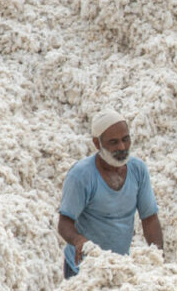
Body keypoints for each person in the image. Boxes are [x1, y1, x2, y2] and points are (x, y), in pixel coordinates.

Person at [57, 111, 164, 278]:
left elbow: (149, 219)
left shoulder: (137, 170)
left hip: (120, 267)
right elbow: (64, 223)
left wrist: (158, 259)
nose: (122, 147)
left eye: (125, 139)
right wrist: (79, 241)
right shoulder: (81, 176)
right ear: (97, 143)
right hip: (84, 269)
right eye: (113, 142)